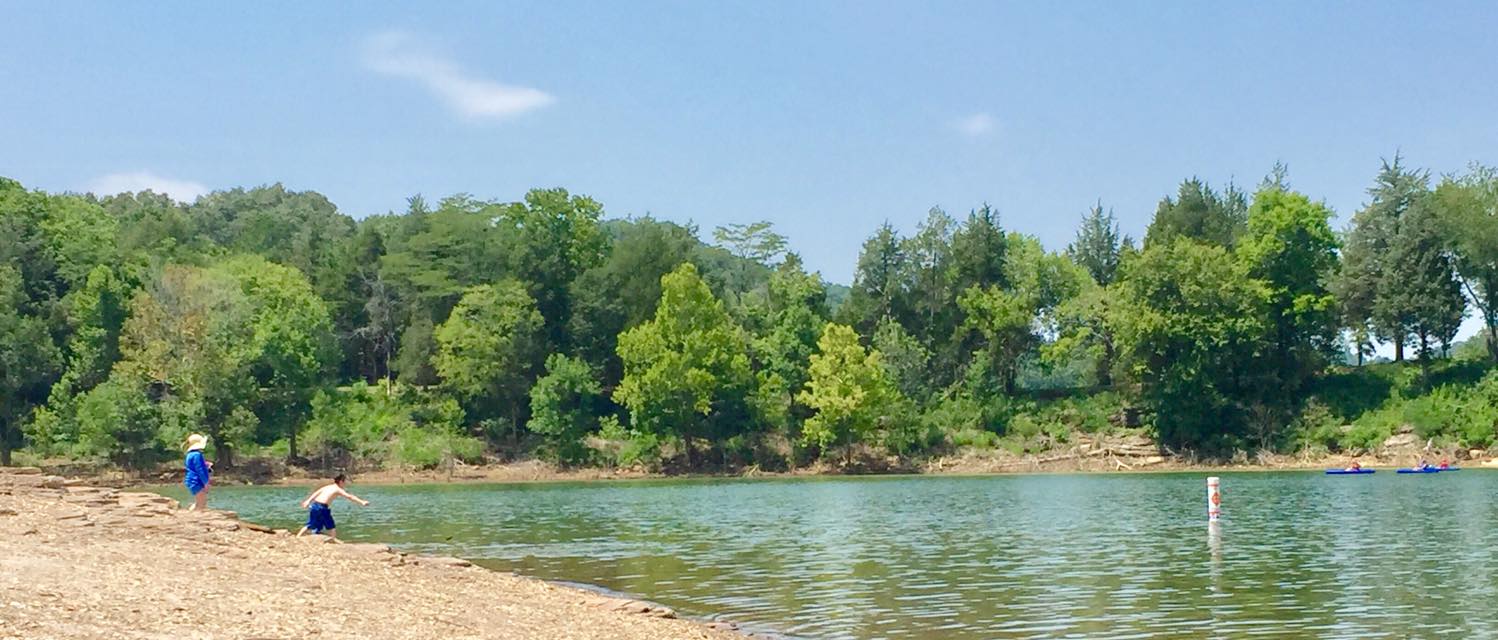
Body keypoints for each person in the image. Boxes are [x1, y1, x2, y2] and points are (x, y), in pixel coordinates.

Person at [296, 474, 370, 540]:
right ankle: (333, 539)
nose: (345, 484)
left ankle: (298, 536)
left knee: (312, 523)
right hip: (322, 507)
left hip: (315, 505)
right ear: (341, 481)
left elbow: (316, 493)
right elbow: (350, 497)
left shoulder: (328, 487)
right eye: (345, 482)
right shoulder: (338, 489)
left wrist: (308, 501)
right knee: (331, 524)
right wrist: (362, 502)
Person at [183, 434, 213, 511]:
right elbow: (200, 470)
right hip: (196, 481)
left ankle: (190, 513)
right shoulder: (197, 454)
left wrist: (205, 465)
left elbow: (192, 466)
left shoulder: (190, 454)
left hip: (192, 480)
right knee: (201, 503)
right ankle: (191, 515)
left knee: (199, 501)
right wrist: (206, 483)